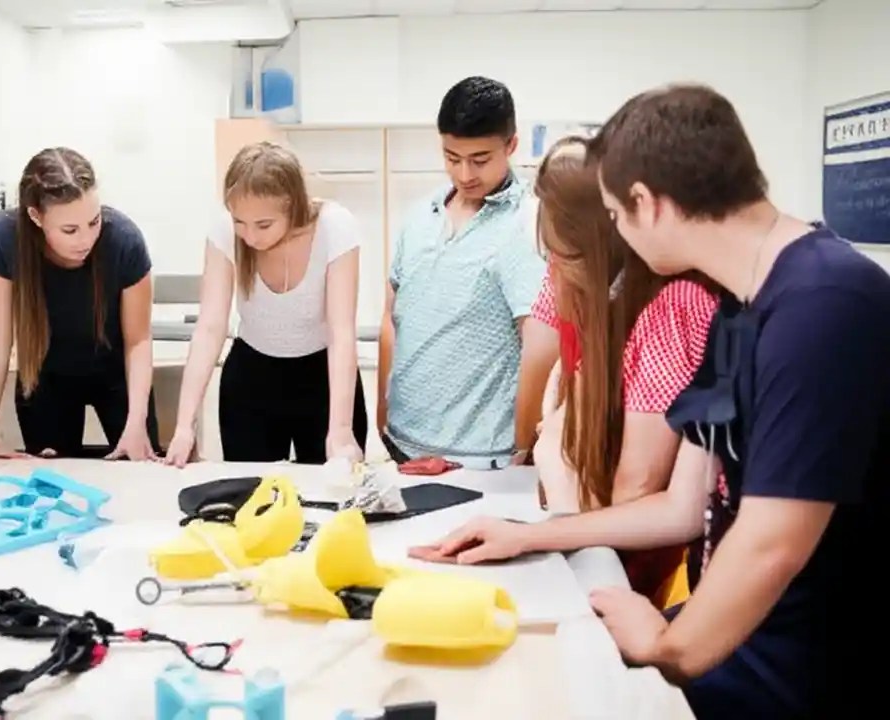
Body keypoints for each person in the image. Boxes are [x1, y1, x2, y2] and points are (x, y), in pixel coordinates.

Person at [411, 84, 889, 718]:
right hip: (738, 635)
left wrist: (670, 645)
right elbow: (687, 508)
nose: (614, 234)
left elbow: (775, 542)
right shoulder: (740, 305)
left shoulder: (826, 303)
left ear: (647, 203)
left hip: (800, 668)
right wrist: (530, 535)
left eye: (614, 214)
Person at [521, 137, 717, 604]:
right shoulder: (619, 312)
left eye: (562, 259)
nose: (555, 275)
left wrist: (561, 538)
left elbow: (642, 485)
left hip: (637, 569)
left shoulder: (676, 307)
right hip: (618, 556)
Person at [379, 76, 547, 469]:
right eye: (452, 158)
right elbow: (391, 316)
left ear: (511, 145)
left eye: (481, 159)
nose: (465, 173)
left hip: (479, 457)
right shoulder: (421, 215)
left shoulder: (528, 224)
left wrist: (525, 447)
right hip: (402, 442)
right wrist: (382, 415)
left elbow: (541, 347)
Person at [165, 141, 365, 467]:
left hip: (323, 379)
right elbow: (210, 327)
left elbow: (341, 332)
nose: (250, 237)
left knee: (331, 495)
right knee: (250, 501)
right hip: (252, 379)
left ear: (293, 206)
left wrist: (341, 429)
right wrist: (184, 425)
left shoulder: (335, 226)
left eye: (263, 225)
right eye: (240, 222)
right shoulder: (224, 230)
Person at [0, 148, 158, 461]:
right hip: (45, 376)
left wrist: (136, 422)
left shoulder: (124, 240)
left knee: (137, 472)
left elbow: (138, 340)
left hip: (116, 375)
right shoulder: (1, 239)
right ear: (35, 216)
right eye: (70, 230)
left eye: (94, 221)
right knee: (50, 486)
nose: (86, 239)